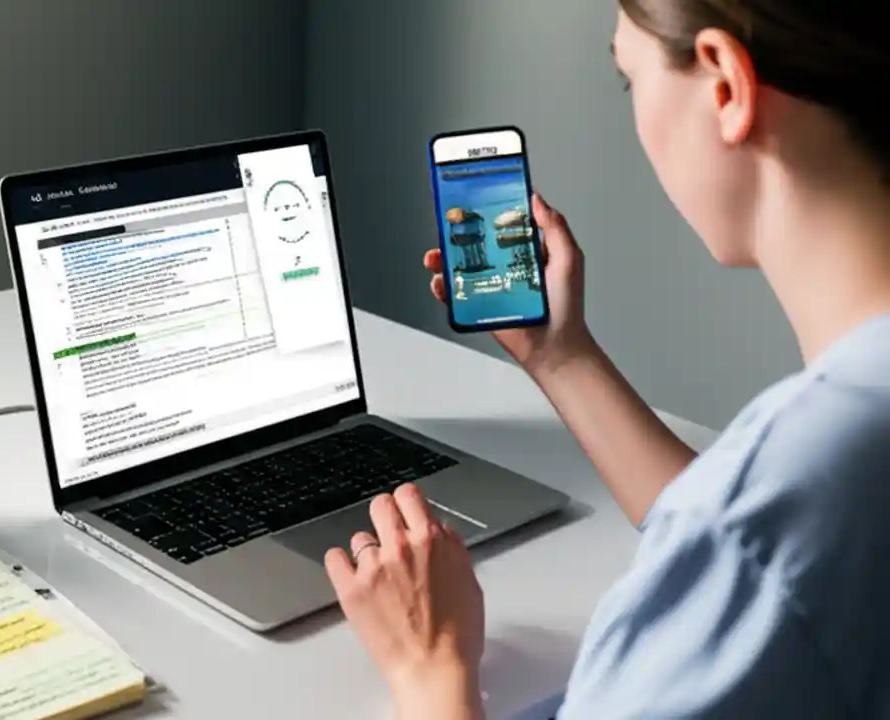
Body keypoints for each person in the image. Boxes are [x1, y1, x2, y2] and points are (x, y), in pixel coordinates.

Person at [324, 2, 890, 717]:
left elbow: (750, 538)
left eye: (631, 79)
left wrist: (429, 664)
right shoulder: (824, 468)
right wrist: (560, 357)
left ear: (725, 87)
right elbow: (774, 549)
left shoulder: (772, 507)